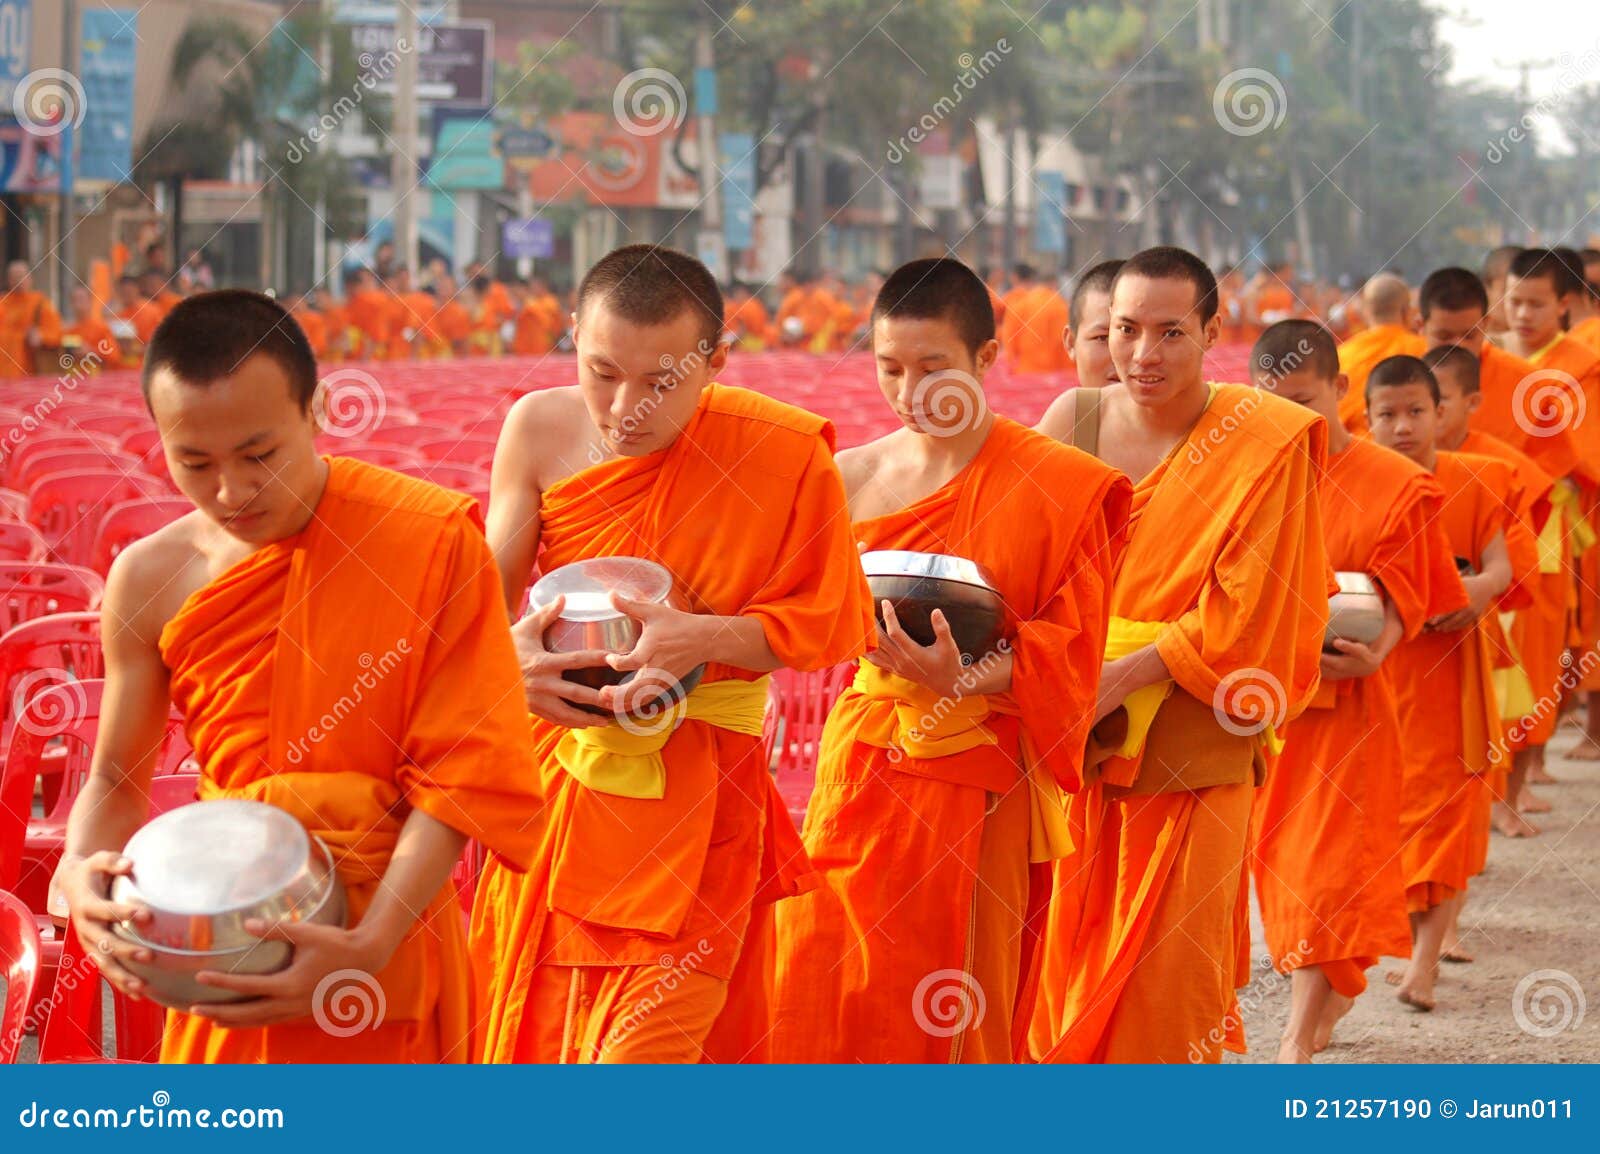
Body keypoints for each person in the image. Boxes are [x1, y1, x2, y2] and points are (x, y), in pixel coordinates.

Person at [55, 290, 541, 1062]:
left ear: (316, 412)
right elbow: (116, 778)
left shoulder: (428, 537)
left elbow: (462, 777)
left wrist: (369, 944)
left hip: (388, 934)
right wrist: (78, 878)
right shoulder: (149, 579)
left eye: (259, 455)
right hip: (223, 938)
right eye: (195, 462)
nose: (230, 492)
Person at [469, 244, 874, 1063]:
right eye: (602, 371)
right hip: (564, 794)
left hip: (708, 801)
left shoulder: (783, 452)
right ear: (574, 336)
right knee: (545, 1038)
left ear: (715, 363)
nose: (625, 407)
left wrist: (708, 637)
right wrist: (507, 664)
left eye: (661, 382)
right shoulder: (539, 429)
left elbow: (836, 624)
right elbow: (481, 610)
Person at [769, 258, 1130, 1062]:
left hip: (982, 769)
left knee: (962, 986)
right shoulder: (849, 477)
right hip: (866, 757)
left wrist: (963, 676)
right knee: (825, 964)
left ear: (987, 360)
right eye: (889, 368)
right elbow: (797, 617)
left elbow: (1072, 648)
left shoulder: (1055, 482)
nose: (908, 391)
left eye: (933, 367)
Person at [1029, 246, 1331, 1063]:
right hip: (1077, 746)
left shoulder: (1261, 438)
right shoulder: (1073, 422)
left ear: (1212, 330)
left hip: (1197, 744)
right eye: (1125, 330)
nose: (1143, 354)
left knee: (1170, 983)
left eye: (1170, 332)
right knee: (1064, 958)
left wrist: (1122, 675)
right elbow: (1021, 571)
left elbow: (1253, 613)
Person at [1246, 322, 1465, 1062]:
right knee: (1278, 869)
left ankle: (1297, 1040)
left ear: (1341, 391)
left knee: (1327, 871)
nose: (1290, 420)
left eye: (1304, 401)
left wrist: (1380, 648)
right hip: (1261, 707)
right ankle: (1323, 1001)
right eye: (1271, 403)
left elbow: (1412, 589)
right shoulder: (1248, 476)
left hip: (1349, 707)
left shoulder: (1392, 481)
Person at [1364, 354, 1516, 1012]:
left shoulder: (1475, 482)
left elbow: (1501, 567)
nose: (1403, 427)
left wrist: (1470, 592)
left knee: (1451, 815)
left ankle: (1422, 966)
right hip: (1378, 677)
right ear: (1364, 421)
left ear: (1442, 413)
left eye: (1416, 412)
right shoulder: (1356, 487)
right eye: (1387, 415)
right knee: (1382, 813)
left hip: (1452, 675)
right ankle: (1378, 941)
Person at [1426, 344, 1561, 840]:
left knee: (1507, 709)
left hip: (1491, 605)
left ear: (1470, 402)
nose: (1423, 417)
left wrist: (1490, 590)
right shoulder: (1391, 461)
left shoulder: (1497, 463)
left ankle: (1507, 800)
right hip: (1418, 616)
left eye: (1436, 404)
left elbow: (1523, 536)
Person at [1336, 272, 1424, 432]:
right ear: (1406, 311)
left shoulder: (1341, 355)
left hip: (1356, 450)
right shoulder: (1424, 349)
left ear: (1366, 312)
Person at [0, 261, 64, 378]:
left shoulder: (40, 303)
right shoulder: (2, 303)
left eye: (21, 276)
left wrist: (41, 336)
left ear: (30, 278)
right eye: (13, 277)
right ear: (7, 280)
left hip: (30, 372)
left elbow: (57, 334)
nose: (18, 281)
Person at [61, 284, 123, 372]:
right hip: (73, 376)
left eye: (81, 299)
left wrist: (91, 351)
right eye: (74, 300)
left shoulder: (101, 328)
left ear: (90, 301)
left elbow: (114, 356)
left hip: (95, 378)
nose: (78, 304)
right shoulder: (68, 330)